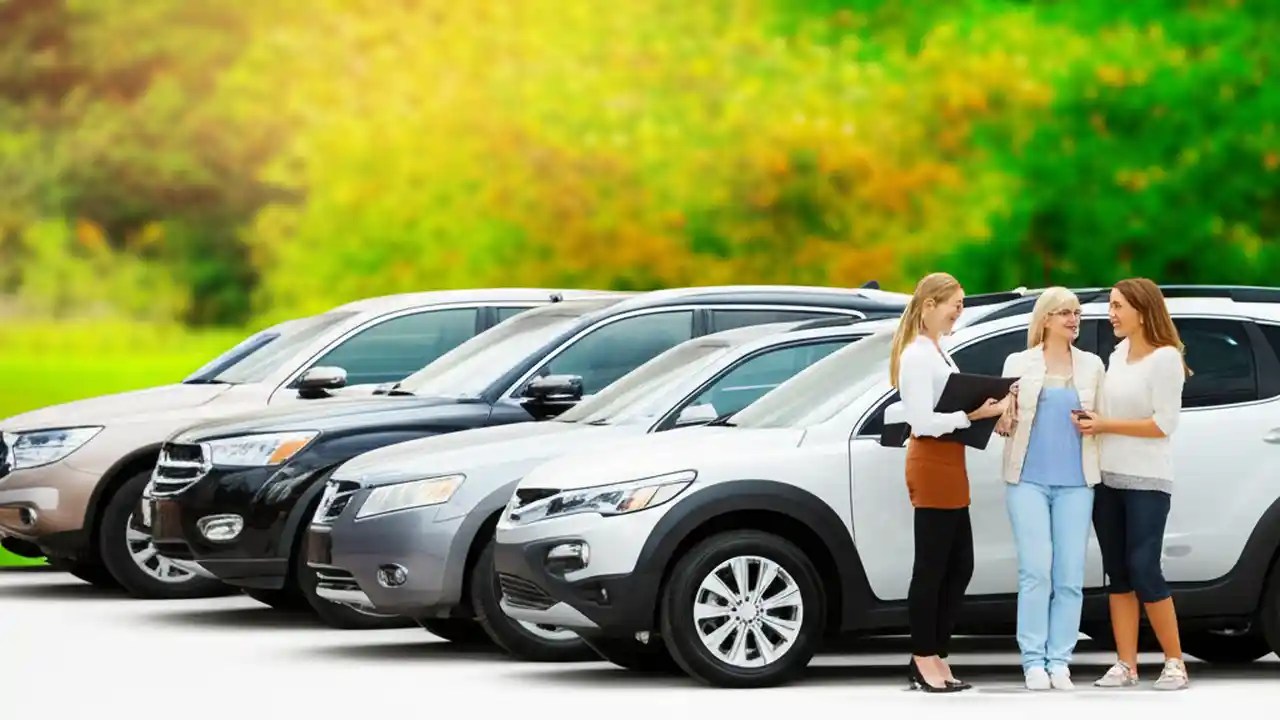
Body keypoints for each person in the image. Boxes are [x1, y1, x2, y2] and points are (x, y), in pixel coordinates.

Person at [886, 271, 1009, 693]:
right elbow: (921, 419)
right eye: (954, 303)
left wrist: (986, 410)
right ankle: (924, 657)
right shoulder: (917, 356)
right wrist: (972, 417)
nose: (959, 310)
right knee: (933, 567)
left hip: (950, 460)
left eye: (961, 303)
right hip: (932, 461)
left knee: (959, 564)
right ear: (929, 306)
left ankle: (935, 651)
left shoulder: (939, 352)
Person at [1072, 278, 1191, 691]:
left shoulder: (1165, 359)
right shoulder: (1118, 354)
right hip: (1108, 479)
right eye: (1110, 304)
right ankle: (1126, 665)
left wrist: (1105, 424)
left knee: (1144, 567)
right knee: (1118, 573)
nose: (1112, 313)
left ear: (1142, 309)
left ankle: (1175, 662)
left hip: (1148, 481)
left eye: (1118, 305)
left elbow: (1163, 424)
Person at [994, 287, 1104, 691]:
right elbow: (1002, 418)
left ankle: (1060, 660)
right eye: (1064, 314)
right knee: (1036, 571)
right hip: (1027, 481)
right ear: (1045, 319)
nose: (1074, 320)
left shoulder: (1092, 366)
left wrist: (1095, 422)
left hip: (1077, 482)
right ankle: (1032, 661)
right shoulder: (1018, 362)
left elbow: (1103, 419)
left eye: (1076, 313)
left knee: (1070, 575)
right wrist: (1003, 414)